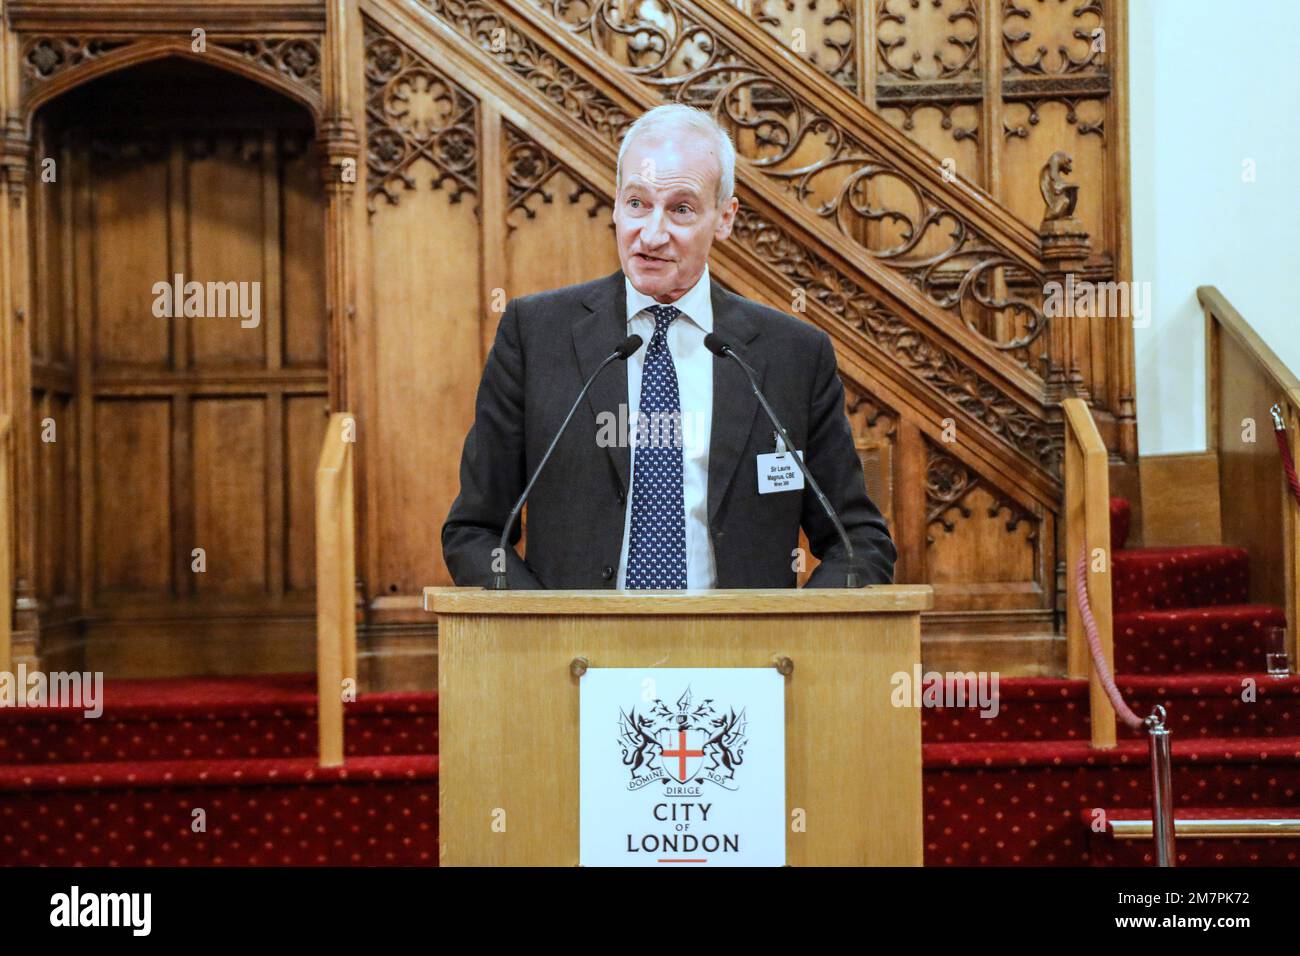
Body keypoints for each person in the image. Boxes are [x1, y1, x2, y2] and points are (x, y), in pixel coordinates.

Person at [442, 103, 895, 589]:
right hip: (576, 657)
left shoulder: (793, 355)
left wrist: (791, 643)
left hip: (739, 657)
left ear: (724, 218)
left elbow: (858, 542)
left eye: (680, 209)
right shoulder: (535, 336)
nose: (652, 234)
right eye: (637, 204)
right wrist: (546, 630)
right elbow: (475, 530)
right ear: (616, 204)